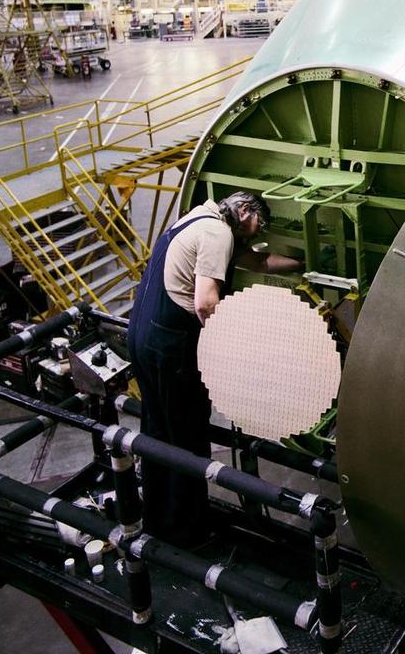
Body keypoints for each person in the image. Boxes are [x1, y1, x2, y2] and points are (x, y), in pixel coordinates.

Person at [126, 191, 302, 546]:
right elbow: (206, 303)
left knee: (158, 430)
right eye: (259, 223)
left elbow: (258, 262)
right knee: (187, 438)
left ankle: (158, 520)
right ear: (243, 210)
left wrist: (303, 264)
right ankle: (188, 533)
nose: (258, 231)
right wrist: (235, 350)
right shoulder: (218, 233)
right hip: (171, 346)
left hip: (144, 335)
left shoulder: (196, 221)